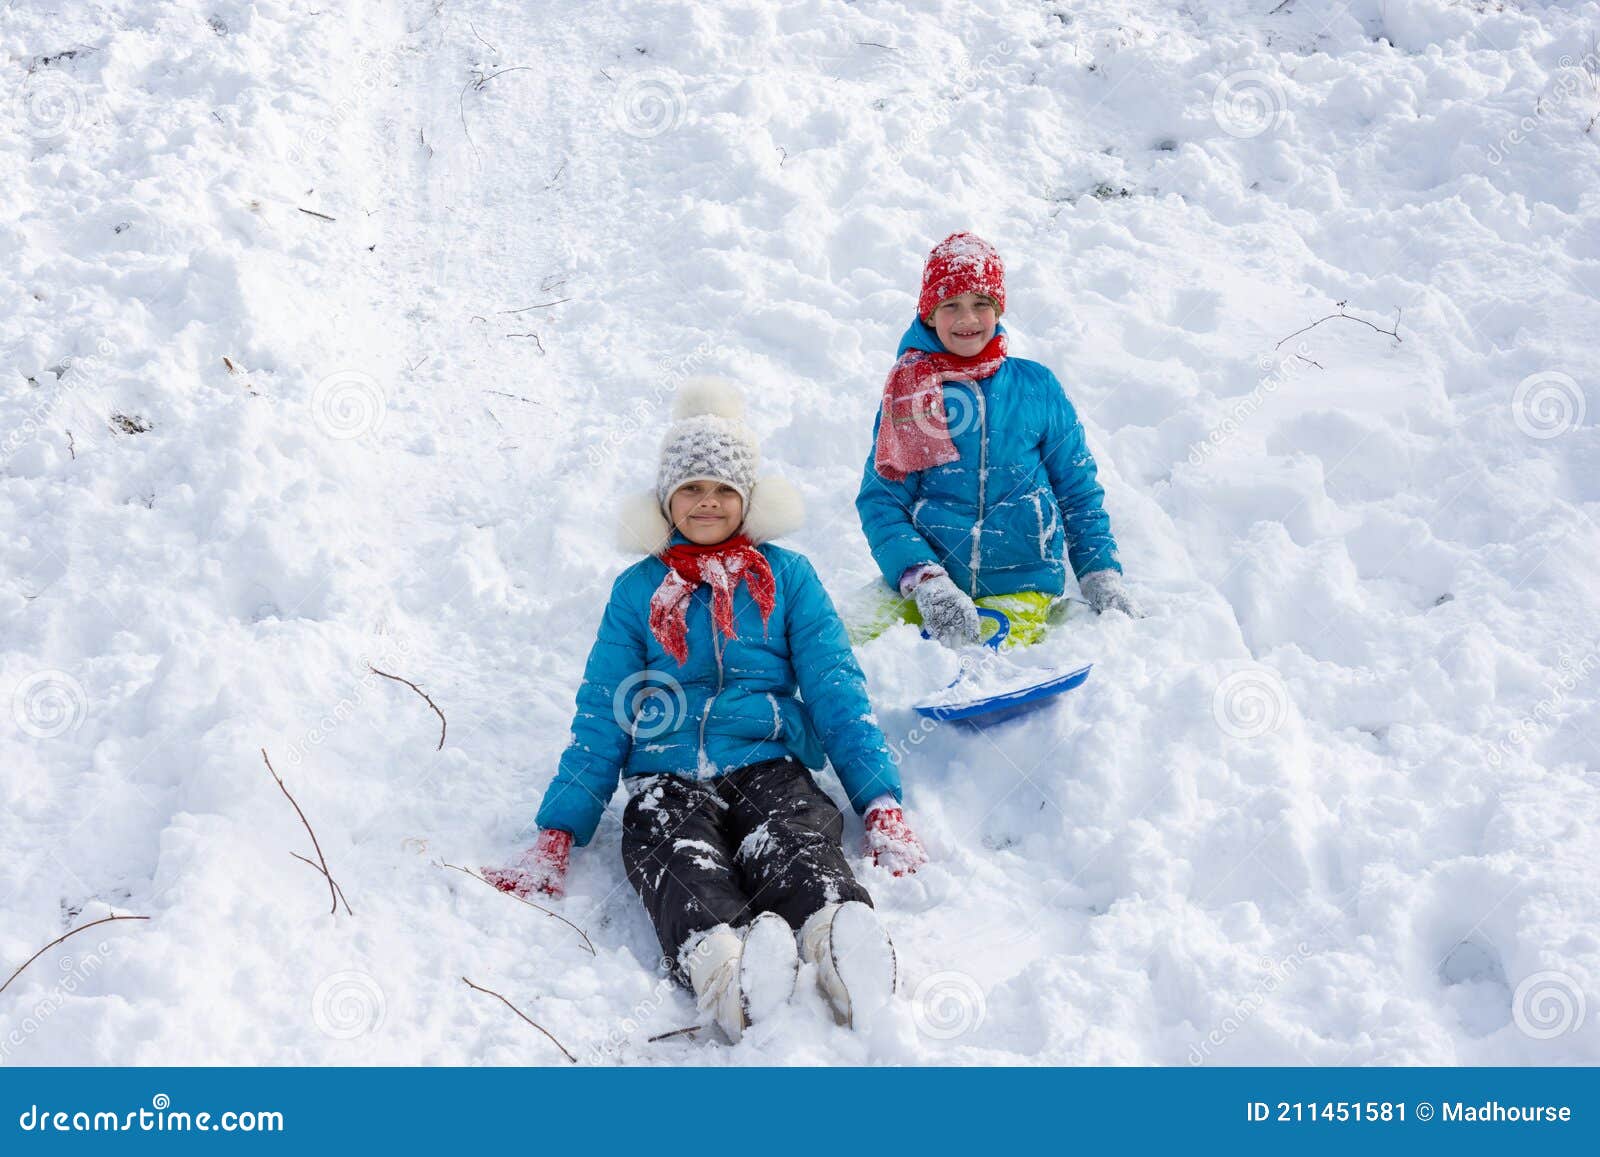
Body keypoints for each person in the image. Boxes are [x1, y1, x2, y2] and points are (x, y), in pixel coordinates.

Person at [487, 379, 927, 1041]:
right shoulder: (638, 591)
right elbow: (603, 713)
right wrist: (561, 825)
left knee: (797, 837)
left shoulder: (788, 578)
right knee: (675, 855)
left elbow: (837, 689)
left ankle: (837, 938)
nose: (708, 503)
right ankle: (728, 968)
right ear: (666, 499)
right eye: (691, 488)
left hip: (767, 756)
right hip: (665, 770)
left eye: (724, 489)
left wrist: (878, 798)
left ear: (747, 499)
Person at [856, 231, 1141, 649]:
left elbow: (1077, 491)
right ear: (929, 315)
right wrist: (926, 580)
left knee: (984, 663)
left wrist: (1099, 574)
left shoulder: (1037, 386)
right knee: (842, 643)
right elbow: (881, 501)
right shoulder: (909, 392)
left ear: (998, 309)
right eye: (950, 305)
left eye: (980, 305)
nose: (967, 319)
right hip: (929, 583)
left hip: (1021, 579)